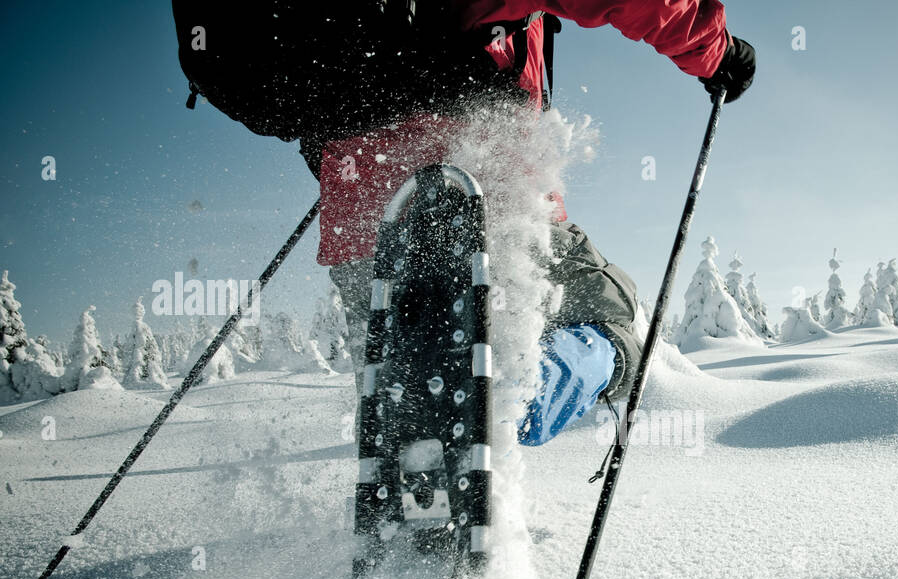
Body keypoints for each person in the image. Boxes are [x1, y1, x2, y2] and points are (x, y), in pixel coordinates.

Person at [173, 1, 755, 444]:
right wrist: (714, 49)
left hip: (362, 213)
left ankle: (401, 577)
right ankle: (519, 396)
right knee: (612, 313)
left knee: (405, 409)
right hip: (487, 187)